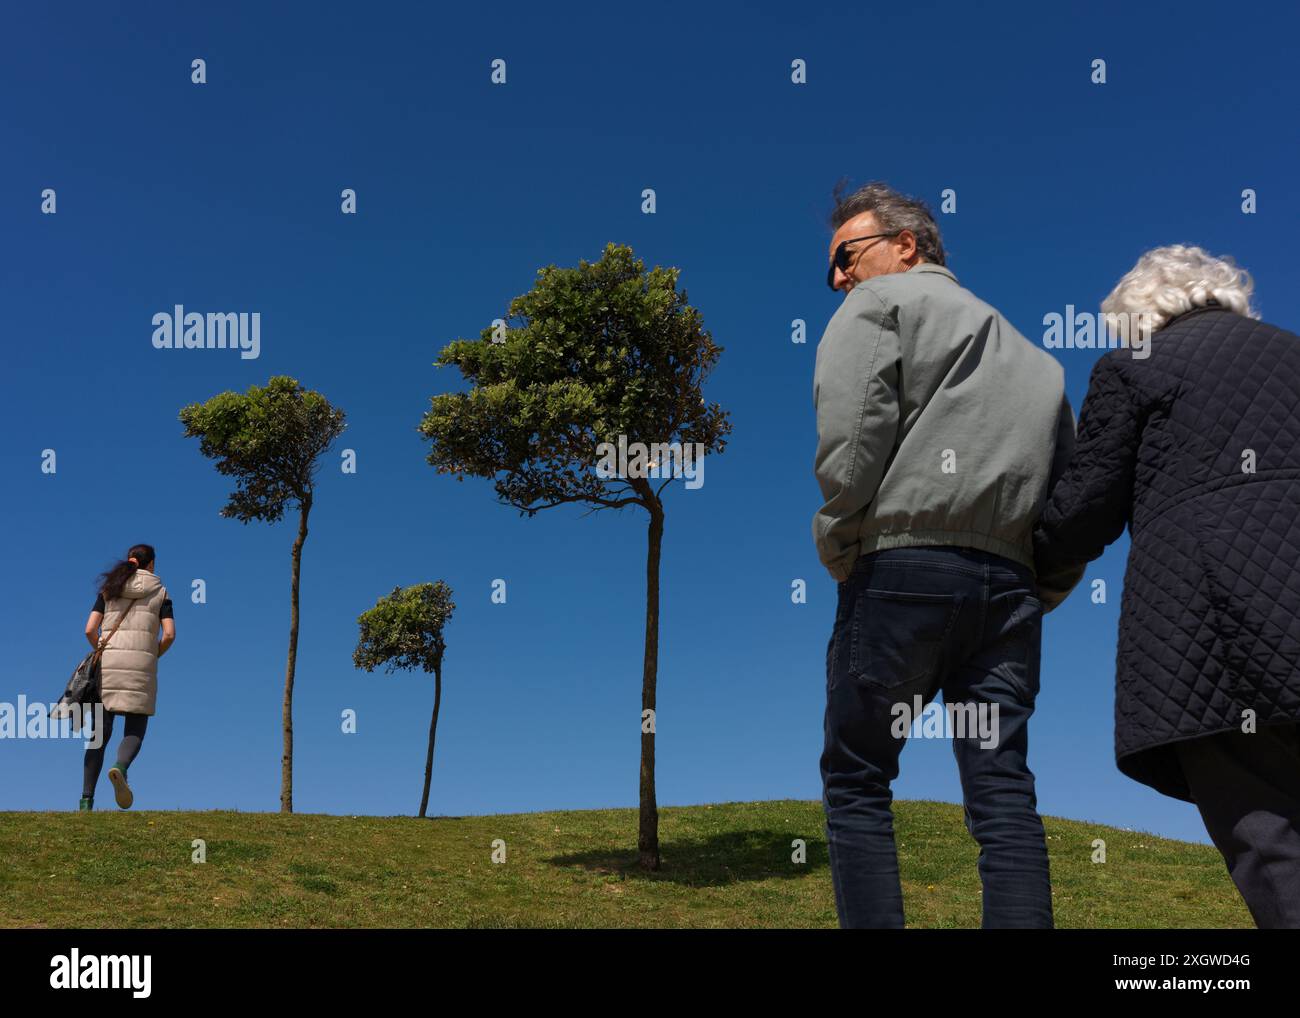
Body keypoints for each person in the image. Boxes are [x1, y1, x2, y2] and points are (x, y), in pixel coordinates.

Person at [813, 180, 1078, 928]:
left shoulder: (877, 306)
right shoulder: (1041, 363)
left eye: (844, 256)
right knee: (1001, 790)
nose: (837, 277)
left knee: (859, 777)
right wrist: (1039, 584)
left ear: (906, 246)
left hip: (901, 568)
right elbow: (1070, 499)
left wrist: (839, 536)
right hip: (1009, 590)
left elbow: (852, 445)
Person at [1033, 245, 1300, 928]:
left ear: (1138, 313)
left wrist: (1021, 568)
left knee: (1265, 828)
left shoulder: (1135, 368)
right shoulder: (1291, 351)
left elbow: (1085, 507)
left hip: (1216, 626)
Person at [81, 543, 175, 810]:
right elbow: (169, 634)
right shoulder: (161, 591)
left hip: (108, 663)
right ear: (152, 564)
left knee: (100, 734)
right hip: (141, 666)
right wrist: (152, 654)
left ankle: (86, 800)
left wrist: (102, 649)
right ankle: (120, 767)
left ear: (130, 560)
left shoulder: (109, 588)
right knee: (135, 728)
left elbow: (89, 629)